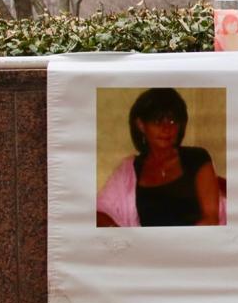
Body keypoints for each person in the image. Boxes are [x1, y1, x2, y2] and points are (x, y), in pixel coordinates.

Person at [96, 87, 225, 227]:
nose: (166, 129)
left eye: (172, 121)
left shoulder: (197, 158)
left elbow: (211, 219)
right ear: (141, 125)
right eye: (158, 121)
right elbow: (100, 212)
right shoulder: (130, 169)